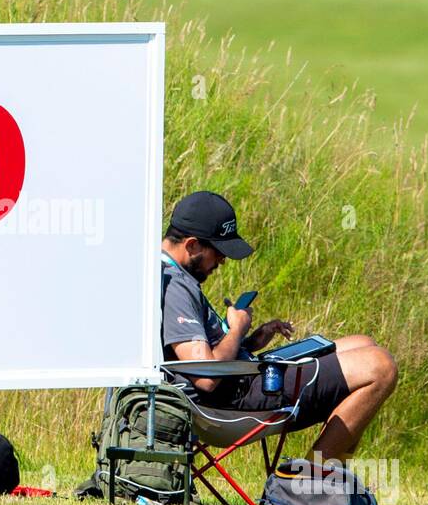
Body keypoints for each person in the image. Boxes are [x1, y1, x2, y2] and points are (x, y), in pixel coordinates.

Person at [160, 191, 397, 462]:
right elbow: (206, 376)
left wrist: (249, 341)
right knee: (380, 366)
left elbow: (199, 356)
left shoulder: (172, 276)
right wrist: (236, 329)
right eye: (219, 252)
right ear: (192, 245)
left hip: (242, 381)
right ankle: (308, 485)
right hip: (231, 402)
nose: (222, 262)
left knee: (362, 343)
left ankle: (325, 475)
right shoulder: (175, 286)